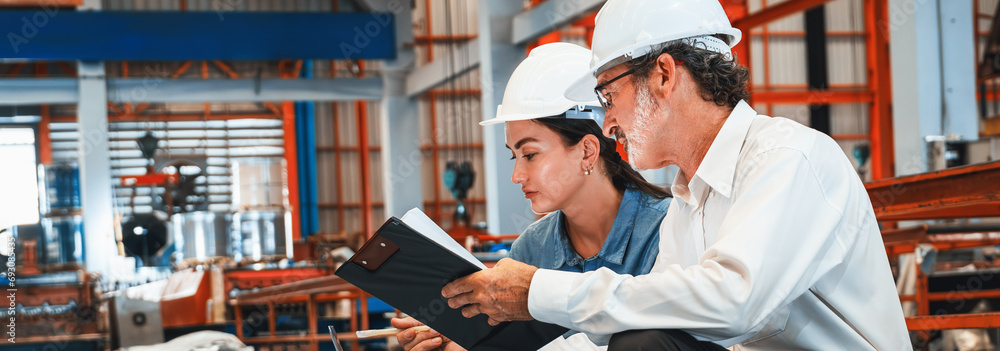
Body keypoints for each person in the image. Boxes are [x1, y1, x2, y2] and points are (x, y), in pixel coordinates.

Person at [439, 0, 911, 350]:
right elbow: (644, 310)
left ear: (664, 74)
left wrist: (540, 292)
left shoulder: (787, 158)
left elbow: (733, 300)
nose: (607, 124)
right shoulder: (689, 201)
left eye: (609, 96)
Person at [392, 42, 671, 351]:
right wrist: (453, 340)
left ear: (587, 151)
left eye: (530, 154)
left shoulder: (666, 230)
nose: (517, 176)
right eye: (515, 157)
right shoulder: (533, 248)